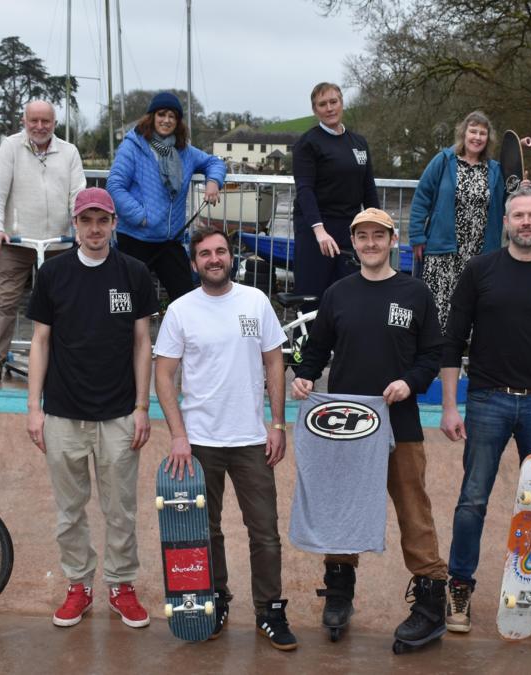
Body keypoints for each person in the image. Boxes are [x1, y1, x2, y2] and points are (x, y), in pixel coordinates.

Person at [291, 207, 449, 649]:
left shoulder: (416, 293)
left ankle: (431, 602)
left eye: (379, 236)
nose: (371, 243)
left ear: (392, 240)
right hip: (345, 426)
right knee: (343, 508)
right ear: (353, 243)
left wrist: (410, 382)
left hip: (400, 421)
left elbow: (431, 355)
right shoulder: (338, 293)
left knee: (414, 512)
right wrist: (304, 374)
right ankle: (339, 593)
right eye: (363, 237)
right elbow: (317, 347)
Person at [438, 187, 531, 637]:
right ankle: (460, 588)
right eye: (518, 215)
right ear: (505, 222)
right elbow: (452, 341)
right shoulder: (480, 271)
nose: (526, 222)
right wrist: (449, 405)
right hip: (487, 400)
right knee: (473, 501)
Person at [154, 226, 297, 650]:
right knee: (205, 530)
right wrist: (178, 435)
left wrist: (278, 424)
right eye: (205, 254)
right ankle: (216, 599)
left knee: (264, 532)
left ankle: (269, 610)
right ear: (194, 262)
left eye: (220, 251)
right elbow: (164, 375)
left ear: (230, 257)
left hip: (252, 438)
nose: (214, 259)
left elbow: (274, 362)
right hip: (199, 442)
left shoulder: (255, 301)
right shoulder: (181, 310)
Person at [25, 188, 157, 629]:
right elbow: (40, 342)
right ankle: (78, 585)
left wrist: (143, 405)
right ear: (75, 225)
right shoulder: (53, 274)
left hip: (120, 412)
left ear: (115, 223)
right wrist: (34, 408)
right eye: (87, 221)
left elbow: (143, 343)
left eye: (103, 221)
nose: (95, 229)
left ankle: (121, 585)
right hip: (63, 412)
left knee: (120, 508)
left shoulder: (135, 273)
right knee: (70, 510)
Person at [0, 100, 85, 387]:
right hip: (17, 240)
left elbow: (77, 195)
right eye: (34, 121)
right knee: (5, 300)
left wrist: (79, 227)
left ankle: (62, 360)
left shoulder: (69, 152)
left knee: (62, 303)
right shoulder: (10, 148)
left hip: (58, 242)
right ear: (24, 120)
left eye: (46, 121)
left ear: (55, 123)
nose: (40, 127)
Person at [107, 91, 225, 303]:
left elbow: (215, 162)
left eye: (172, 116)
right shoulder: (132, 146)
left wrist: (213, 182)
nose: (166, 120)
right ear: (152, 117)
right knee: (127, 302)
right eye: (161, 114)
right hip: (135, 239)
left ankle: (182, 337)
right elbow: (115, 186)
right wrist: (142, 217)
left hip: (170, 240)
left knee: (186, 300)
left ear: (178, 122)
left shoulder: (185, 151)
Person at [408, 111, 508, 332]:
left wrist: (522, 182)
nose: (477, 137)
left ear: (488, 138)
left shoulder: (494, 170)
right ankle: (434, 361)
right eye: (473, 131)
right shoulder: (443, 160)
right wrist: (416, 236)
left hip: (479, 255)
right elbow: (422, 197)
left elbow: (509, 198)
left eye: (483, 133)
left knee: (473, 312)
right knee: (437, 312)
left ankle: (462, 362)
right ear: (464, 133)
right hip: (442, 252)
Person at [291, 82, 380, 308]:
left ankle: (343, 344)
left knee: (348, 295)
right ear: (315, 110)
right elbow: (305, 190)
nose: (329, 108)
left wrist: (379, 229)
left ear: (342, 104)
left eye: (333, 102)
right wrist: (319, 231)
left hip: (349, 228)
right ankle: (308, 341)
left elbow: (368, 189)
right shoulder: (308, 143)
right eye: (322, 104)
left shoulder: (359, 143)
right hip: (316, 229)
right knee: (314, 296)